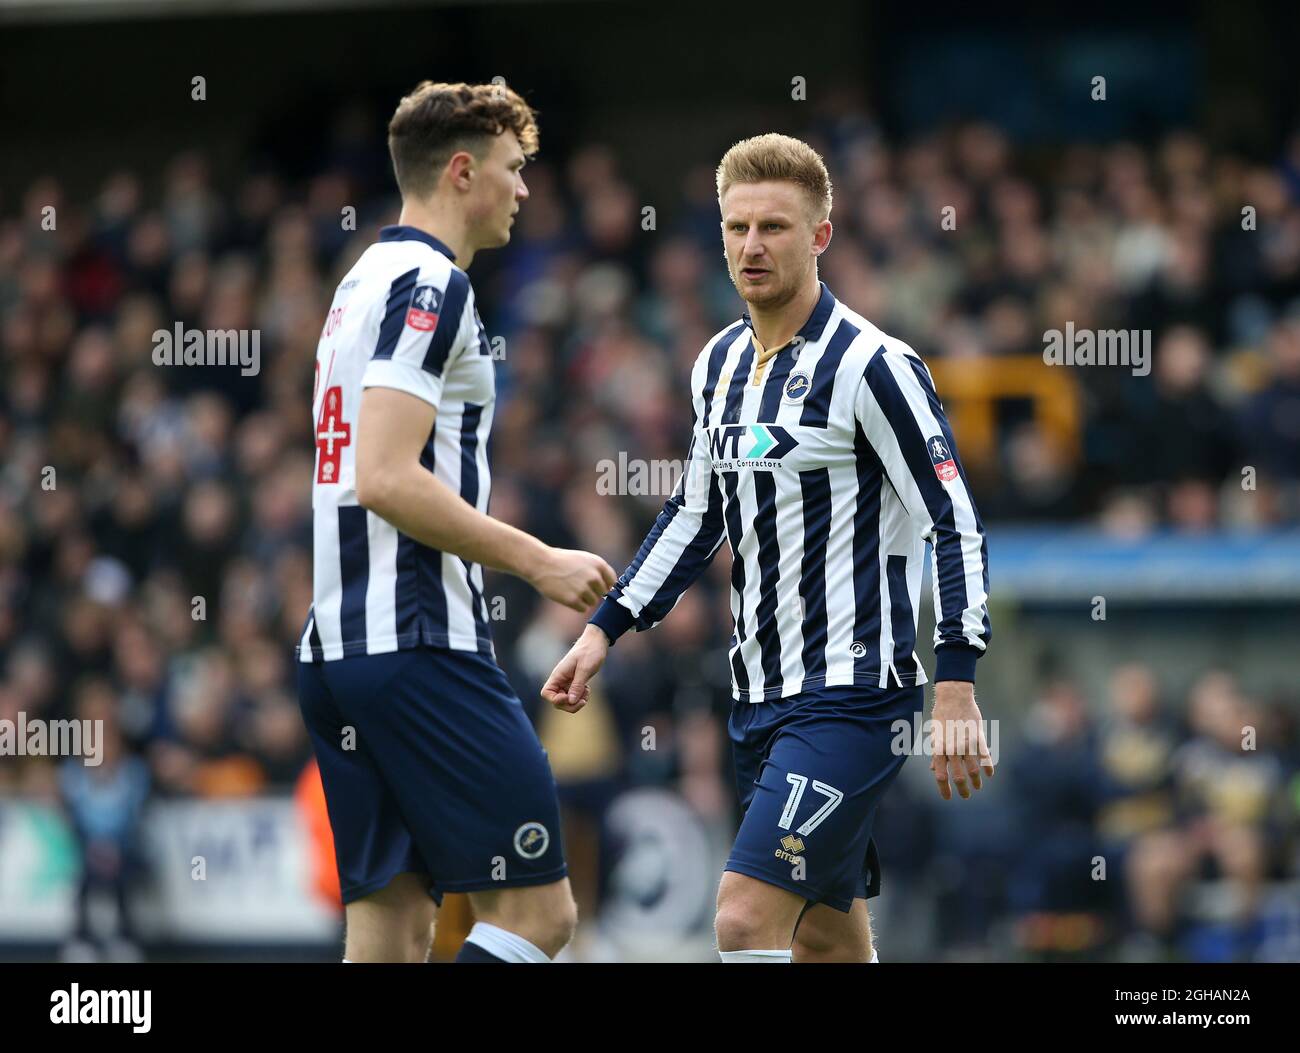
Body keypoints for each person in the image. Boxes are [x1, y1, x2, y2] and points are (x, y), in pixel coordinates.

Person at [543, 133, 993, 963]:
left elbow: (953, 517)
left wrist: (958, 680)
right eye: (738, 226)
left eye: (775, 227)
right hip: (758, 699)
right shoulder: (716, 364)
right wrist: (603, 629)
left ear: (820, 235)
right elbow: (694, 514)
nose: (753, 245)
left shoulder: (874, 366)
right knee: (827, 938)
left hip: (852, 696)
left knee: (744, 918)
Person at [295, 81, 616, 963]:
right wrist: (538, 560)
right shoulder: (432, 284)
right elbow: (387, 477)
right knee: (537, 917)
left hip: (338, 648)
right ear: (463, 170)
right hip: (420, 643)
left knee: (390, 928)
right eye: (514, 171)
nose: (523, 191)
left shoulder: (360, 279)